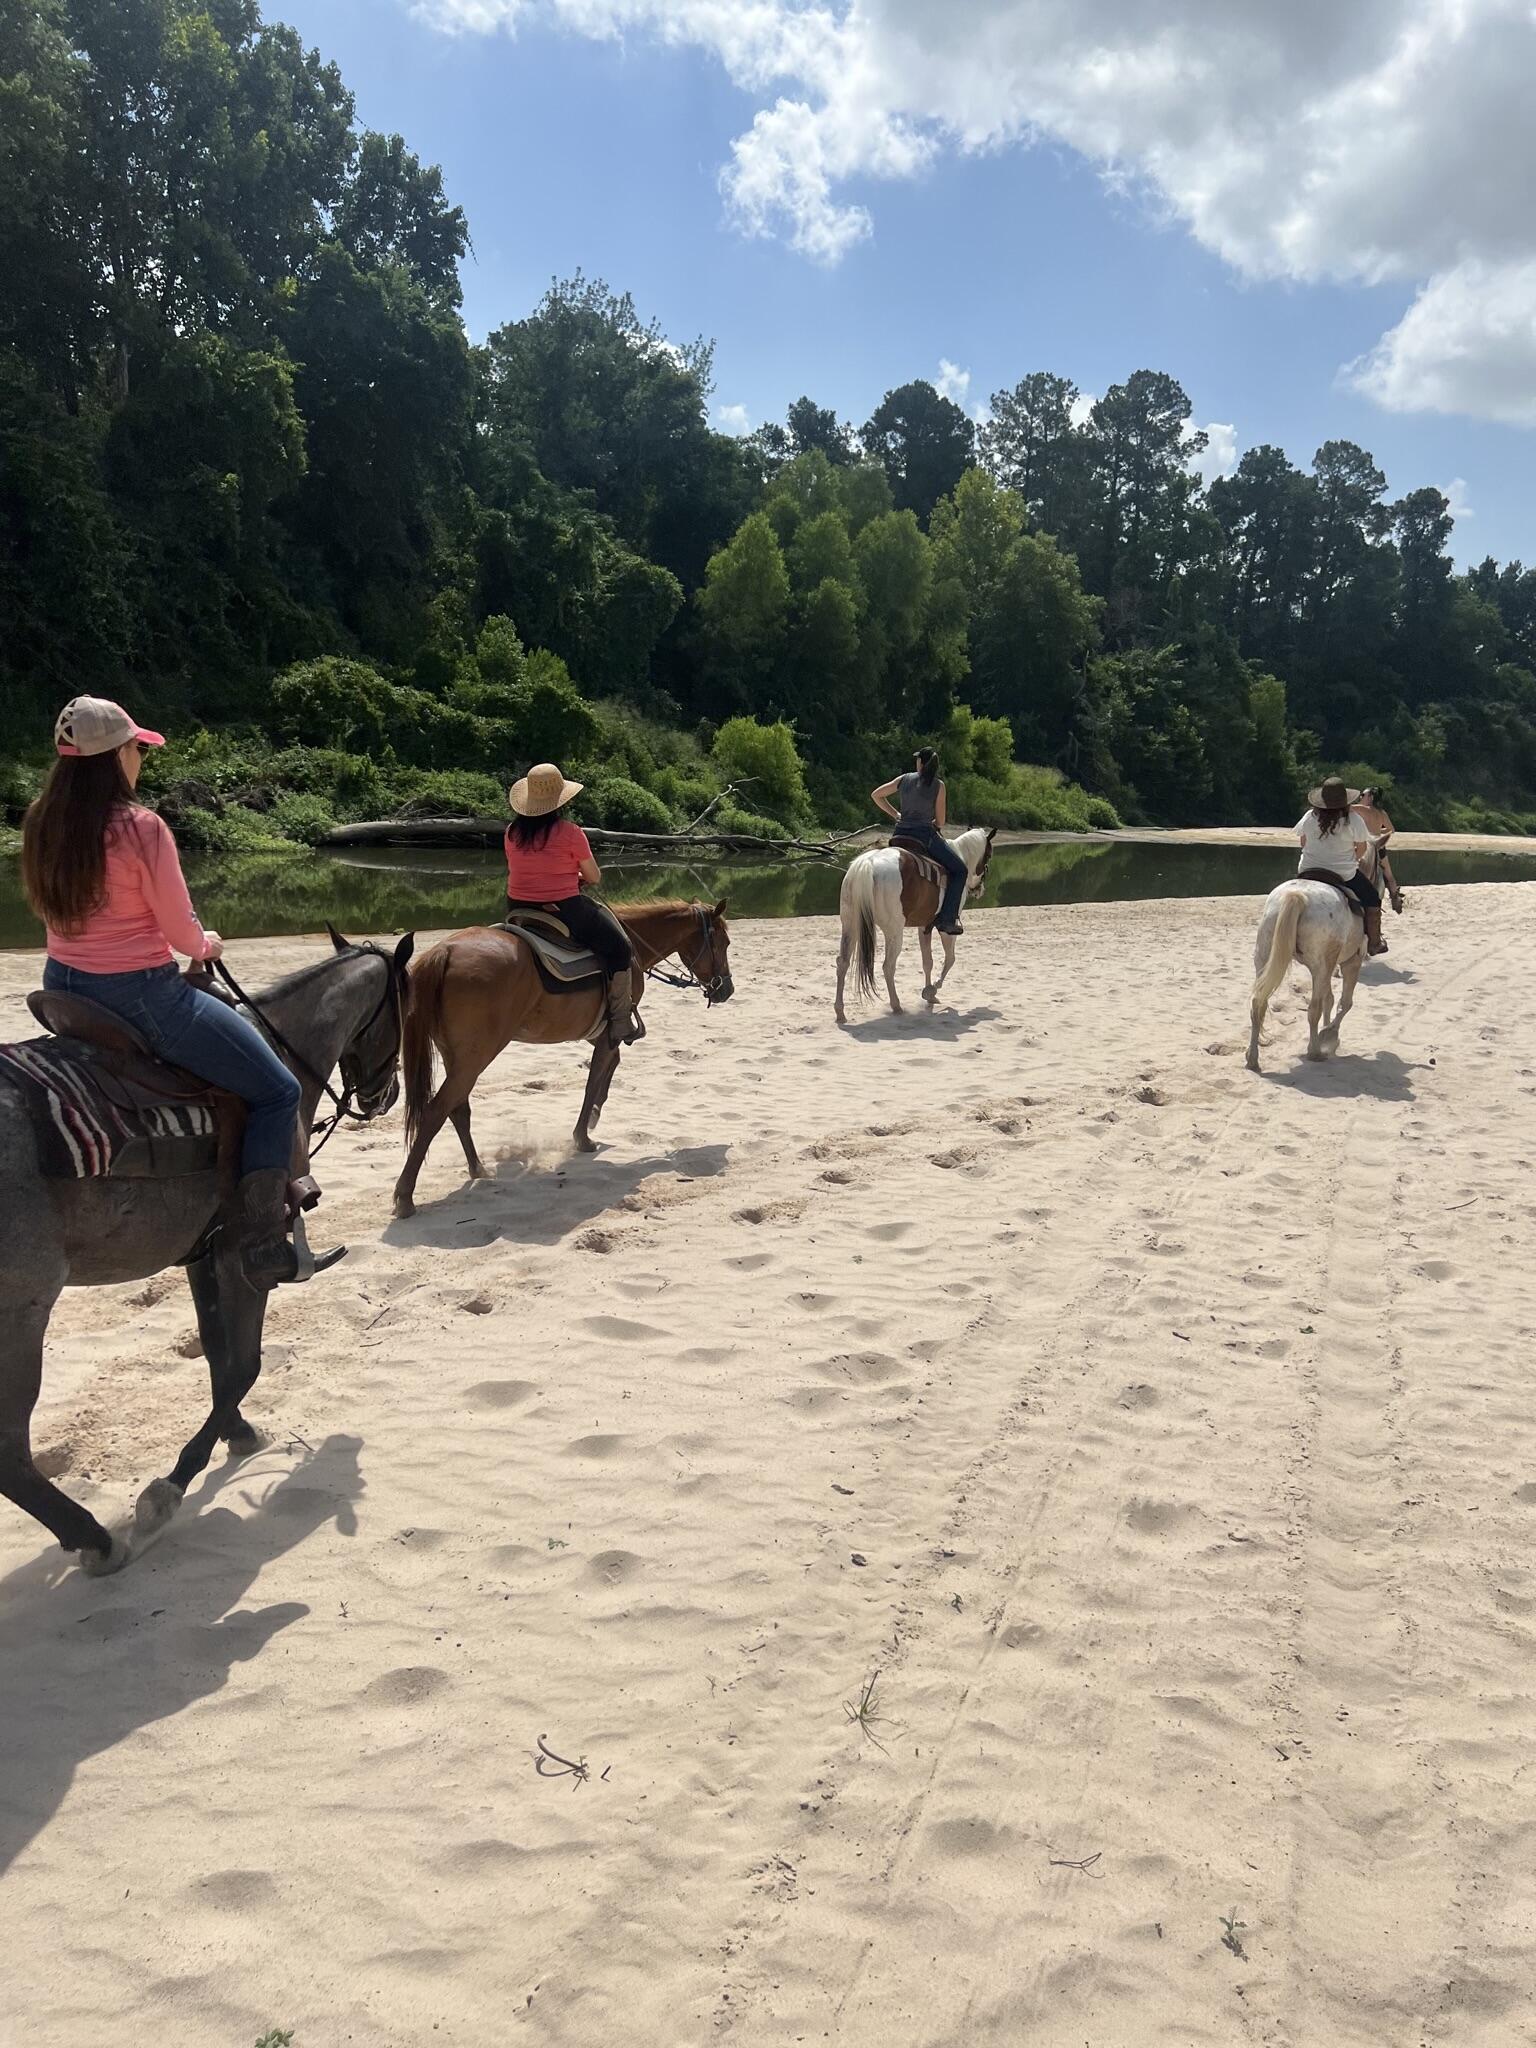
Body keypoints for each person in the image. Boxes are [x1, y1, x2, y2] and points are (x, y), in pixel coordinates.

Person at [21, 696, 306, 1284]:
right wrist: (208, 947)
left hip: (64, 986)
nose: (140, 760)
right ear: (114, 757)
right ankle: (258, 1233)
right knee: (278, 1090)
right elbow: (180, 932)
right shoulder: (141, 828)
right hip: (141, 996)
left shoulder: (40, 820)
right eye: (135, 749)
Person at [503, 762, 639, 1047]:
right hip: (563, 907)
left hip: (517, 907)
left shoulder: (512, 832)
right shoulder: (571, 832)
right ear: (559, 802)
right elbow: (593, 876)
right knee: (620, 947)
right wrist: (574, 876)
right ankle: (621, 1019)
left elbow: (525, 868)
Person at [871, 747, 968, 936]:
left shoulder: (904, 779)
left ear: (920, 763)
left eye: (917, 760)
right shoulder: (939, 785)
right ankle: (947, 918)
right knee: (960, 870)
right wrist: (932, 821)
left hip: (899, 834)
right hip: (924, 836)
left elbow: (876, 795)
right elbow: (940, 821)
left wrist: (896, 815)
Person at [1295, 775, 1388, 955]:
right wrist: (1350, 859)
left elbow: (1303, 843)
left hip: (1307, 870)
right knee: (1372, 898)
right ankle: (1374, 942)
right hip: (1343, 873)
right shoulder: (1353, 819)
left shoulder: (1309, 816)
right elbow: (1361, 848)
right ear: (1345, 801)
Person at [1353, 786, 1403, 914]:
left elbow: (1344, 809)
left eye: (1362, 795)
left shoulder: (1361, 809)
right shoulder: (1382, 813)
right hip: (1379, 845)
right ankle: (1395, 898)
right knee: (1389, 875)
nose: (1360, 798)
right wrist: (1378, 831)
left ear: (1370, 797)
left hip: (1366, 845)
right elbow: (1391, 829)